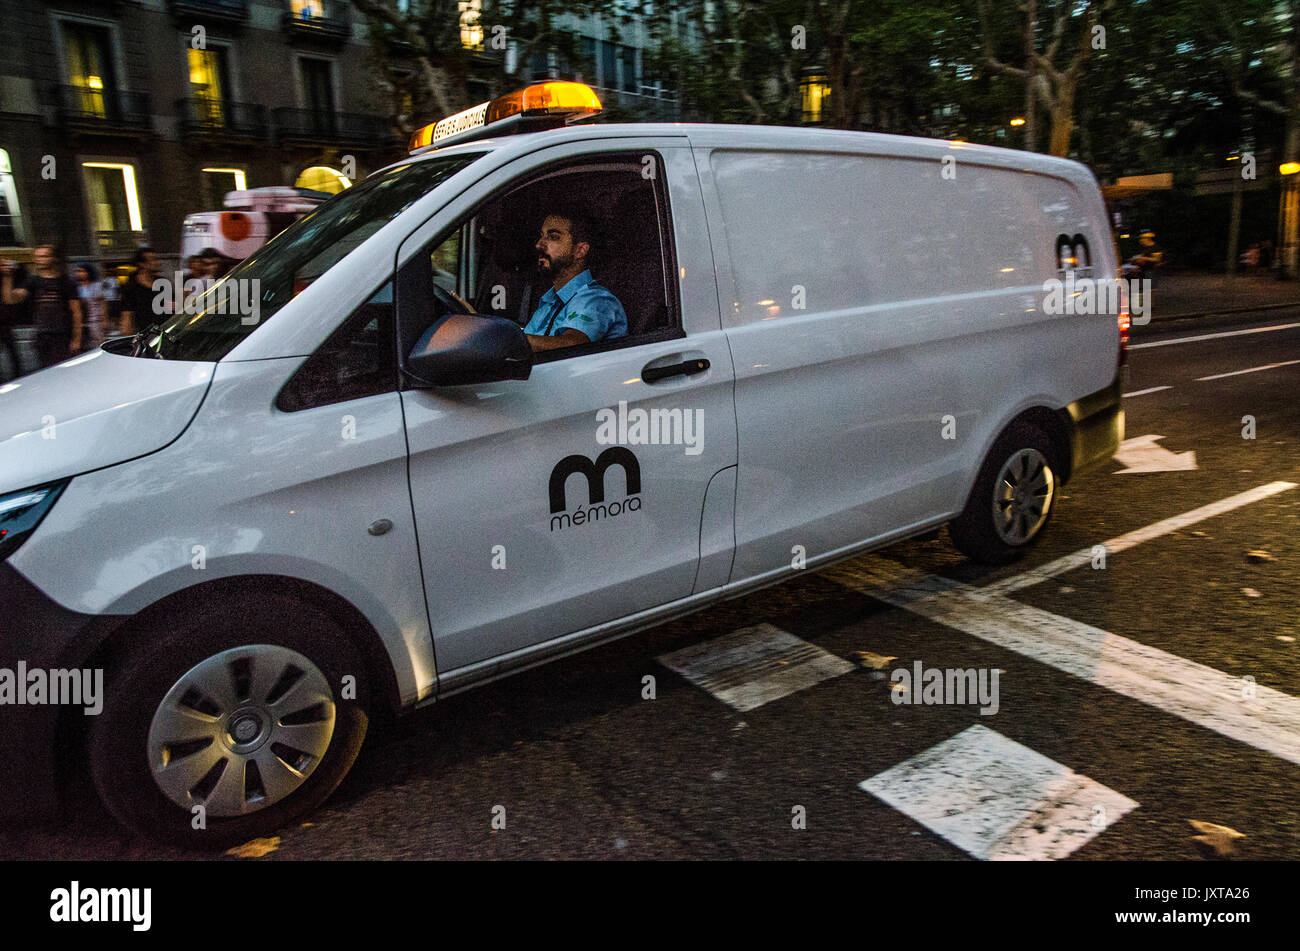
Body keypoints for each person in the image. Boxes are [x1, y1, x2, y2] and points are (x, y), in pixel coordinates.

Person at [522, 207, 627, 352]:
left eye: (553, 237)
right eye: (542, 235)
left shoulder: (596, 299)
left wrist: (508, 338)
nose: (539, 244)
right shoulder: (549, 303)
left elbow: (573, 347)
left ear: (580, 250)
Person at [0, 244, 83, 369]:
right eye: (38, 257)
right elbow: (11, 299)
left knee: (65, 371)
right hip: (42, 335)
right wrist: (8, 277)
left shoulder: (66, 282)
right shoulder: (33, 281)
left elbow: (76, 312)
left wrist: (77, 339)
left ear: (54, 258)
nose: (39, 260)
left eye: (44, 256)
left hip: (62, 335)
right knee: (47, 371)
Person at [119, 247, 163, 336]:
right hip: (145, 337)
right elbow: (127, 318)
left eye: (157, 259)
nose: (157, 263)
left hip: (165, 335)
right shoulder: (131, 288)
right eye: (152, 260)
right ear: (141, 264)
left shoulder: (163, 284)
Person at [0, 260, 27, 380]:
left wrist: (8, 273)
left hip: (5, 320)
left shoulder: (12, 275)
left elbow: (21, 269)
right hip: (5, 318)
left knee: (12, 350)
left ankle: (18, 375)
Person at [75, 262, 108, 351]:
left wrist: (105, 319)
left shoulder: (96, 286)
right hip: (82, 321)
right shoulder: (76, 287)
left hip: (96, 320)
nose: (80, 273)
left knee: (98, 344)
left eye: (82, 271)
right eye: (78, 271)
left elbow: (103, 303)